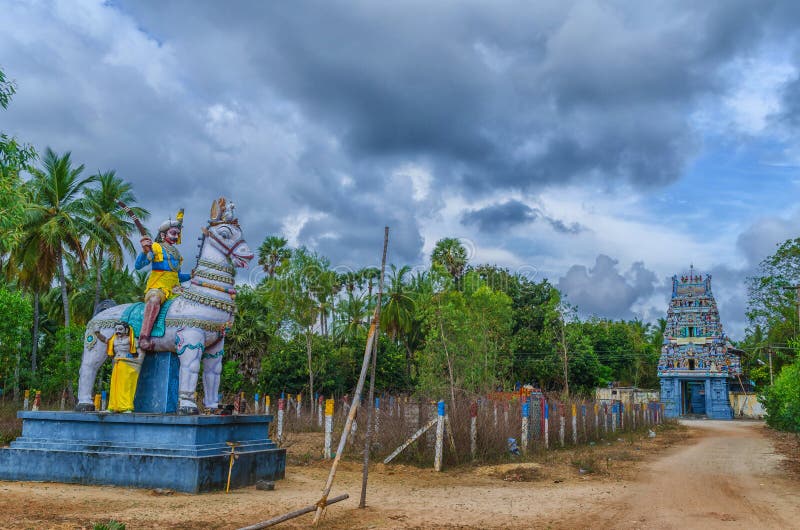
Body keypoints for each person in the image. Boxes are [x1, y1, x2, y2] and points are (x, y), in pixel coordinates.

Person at [134, 209, 190, 350]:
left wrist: (192, 275)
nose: (176, 236)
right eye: (173, 233)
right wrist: (145, 252)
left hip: (176, 289)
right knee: (154, 300)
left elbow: (177, 276)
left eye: (177, 234)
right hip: (158, 287)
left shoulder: (177, 253)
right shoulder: (156, 247)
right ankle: (144, 337)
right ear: (164, 234)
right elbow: (138, 266)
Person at [107, 322, 144, 413]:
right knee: (114, 386)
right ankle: (113, 407)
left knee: (126, 386)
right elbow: (105, 341)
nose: (117, 331)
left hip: (127, 364)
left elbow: (141, 352)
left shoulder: (130, 339)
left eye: (120, 329)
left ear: (126, 330)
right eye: (116, 329)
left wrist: (139, 361)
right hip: (117, 364)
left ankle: (127, 407)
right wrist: (97, 333)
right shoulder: (113, 340)